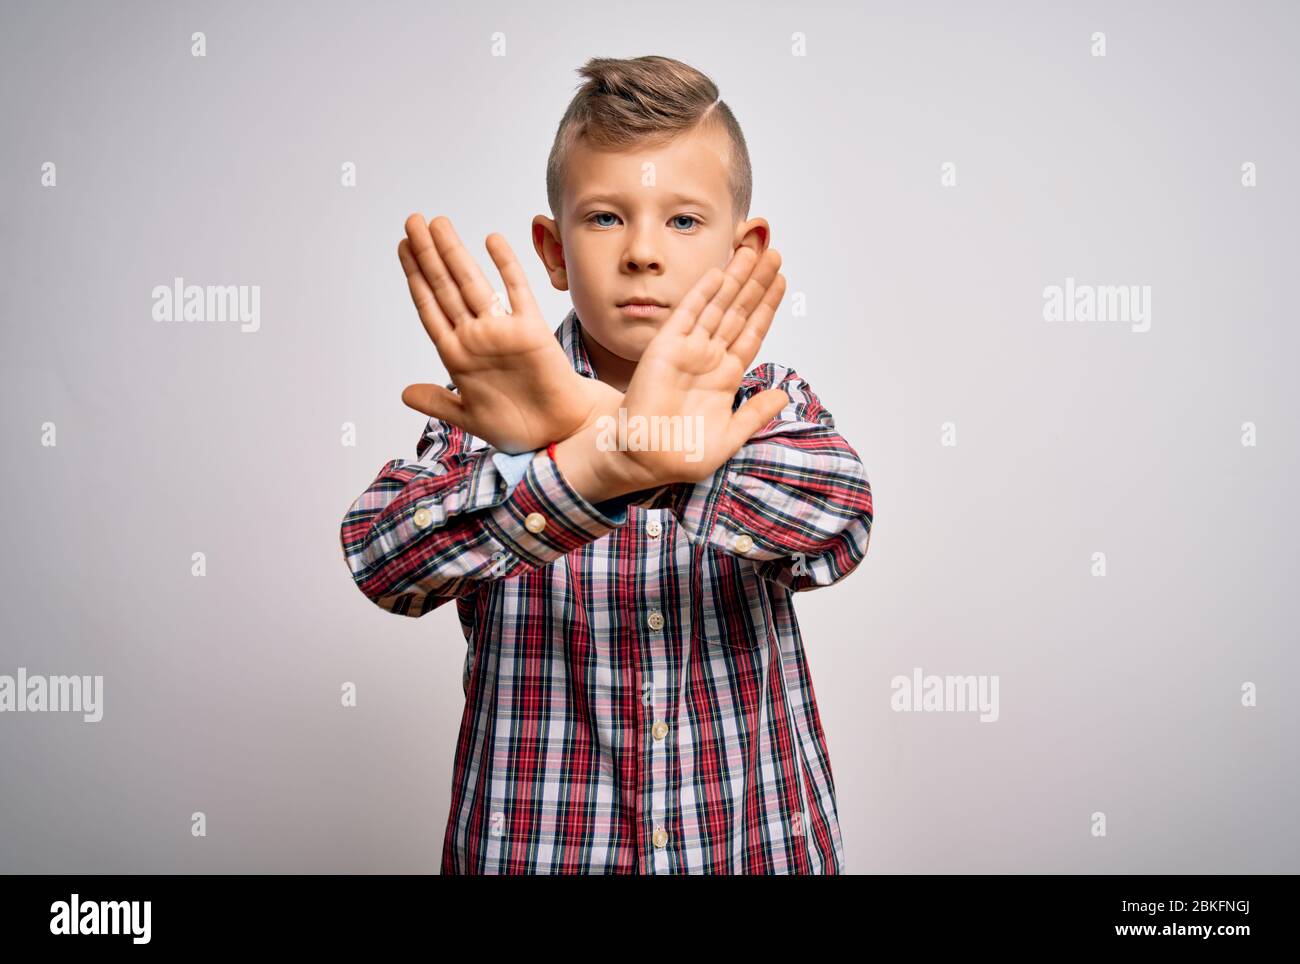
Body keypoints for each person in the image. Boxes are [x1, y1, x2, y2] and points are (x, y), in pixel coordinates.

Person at [340, 55, 873, 873]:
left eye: (685, 221)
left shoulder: (771, 402)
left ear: (743, 248)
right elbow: (385, 561)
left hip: (747, 847)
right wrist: (588, 467)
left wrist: (605, 433)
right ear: (553, 251)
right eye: (605, 218)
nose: (643, 255)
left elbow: (839, 523)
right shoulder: (493, 413)